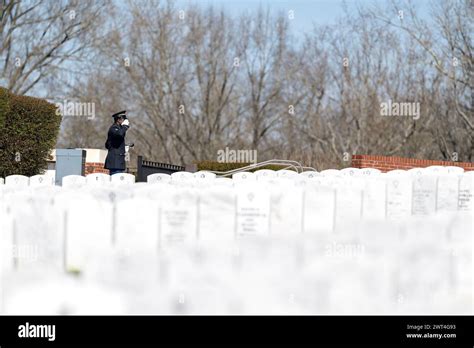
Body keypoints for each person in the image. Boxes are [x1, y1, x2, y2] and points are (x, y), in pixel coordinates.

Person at [104, 110, 130, 176]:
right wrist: (125, 126)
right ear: (118, 119)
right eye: (123, 119)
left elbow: (107, 144)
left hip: (119, 161)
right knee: (115, 182)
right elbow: (120, 134)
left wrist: (123, 147)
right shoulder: (113, 128)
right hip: (115, 162)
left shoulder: (119, 129)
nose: (125, 120)